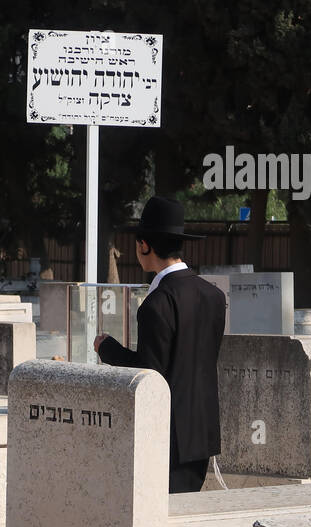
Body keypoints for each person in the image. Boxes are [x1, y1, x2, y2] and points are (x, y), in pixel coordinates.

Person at [93, 196, 227, 494]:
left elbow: (150, 374)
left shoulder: (158, 303)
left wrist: (107, 349)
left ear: (144, 245)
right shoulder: (213, 296)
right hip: (202, 432)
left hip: (168, 436)